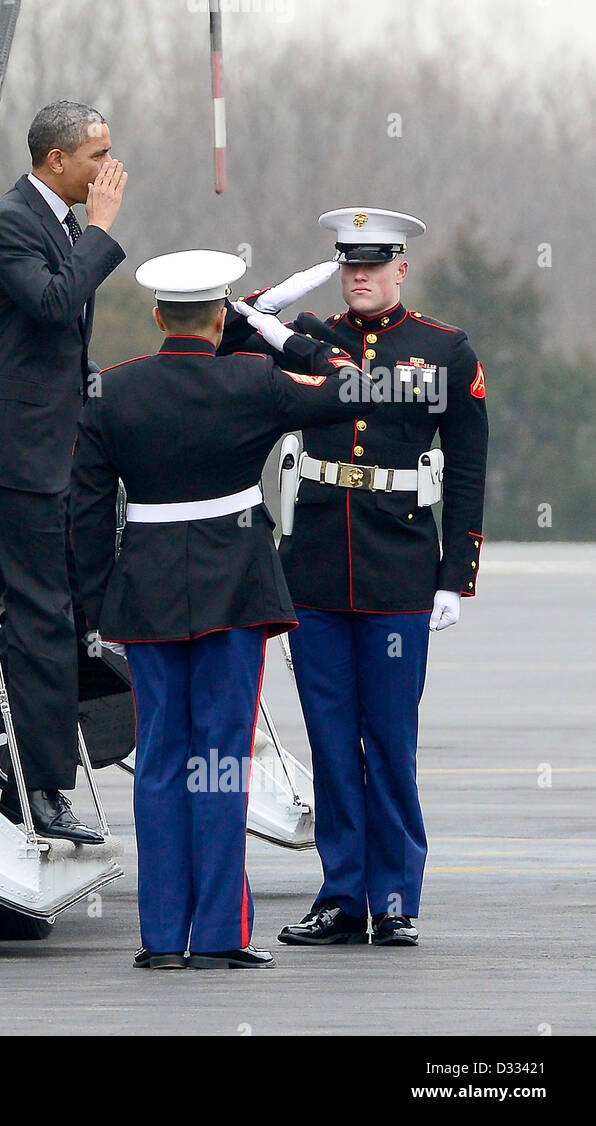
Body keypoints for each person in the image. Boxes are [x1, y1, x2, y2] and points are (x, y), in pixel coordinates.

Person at [70, 250, 378, 968]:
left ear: (156, 316)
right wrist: (285, 335)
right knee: (220, 760)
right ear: (222, 316)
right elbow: (355, 389)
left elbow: (85, 515)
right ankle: (216, 936)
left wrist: (93, 604)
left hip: (143, 590)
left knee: (159, 763)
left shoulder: (111, 391)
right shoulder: (253, 379)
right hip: (234, 588)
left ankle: (160, 939)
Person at [221, 208, 490, 947]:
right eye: (347, 264)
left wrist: (453, 576)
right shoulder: (311, 340)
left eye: (373, 264)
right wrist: (272, 298)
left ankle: (397, 895)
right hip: (313, 569)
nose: (359, 276)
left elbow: (466, 468)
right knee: (332, 742)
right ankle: (343, 895)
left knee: (390, 741)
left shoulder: (444, 351)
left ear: (402, 267)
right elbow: (223, 336)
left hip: (400, 570)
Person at [0, 101, 128, 843]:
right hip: (15, 454)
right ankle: (44, 792)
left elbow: (61, 346)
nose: (110, 169)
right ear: (57, 161)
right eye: (98, 154)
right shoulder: (11, 222)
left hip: (55, 448)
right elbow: (50, 303)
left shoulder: (59, 224)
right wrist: (100, 231)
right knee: (43, 617)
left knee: (57, 616)